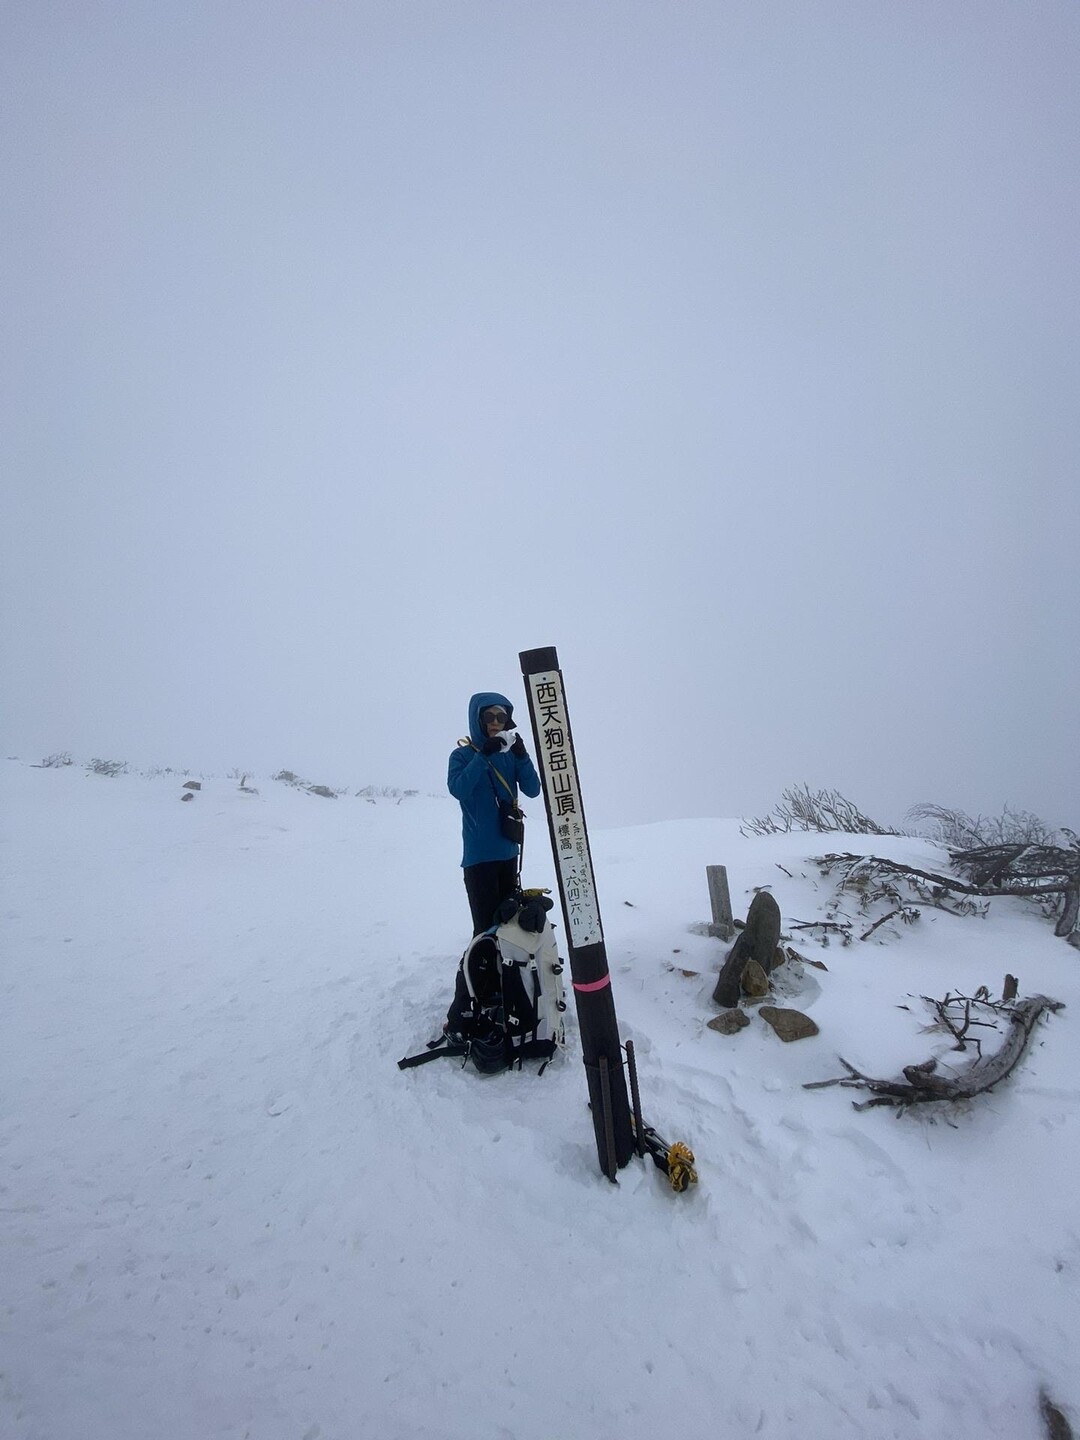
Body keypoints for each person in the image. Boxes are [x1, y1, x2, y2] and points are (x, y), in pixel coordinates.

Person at [448, 691, 542, 935]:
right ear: (477, 719)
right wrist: (483, 755)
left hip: (509, 852)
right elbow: (459, 789)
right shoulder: (461, 756)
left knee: (511, 929)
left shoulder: (509, 756)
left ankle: (509, 974)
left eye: (501, 717)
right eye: (489, 716)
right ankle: (480, 973)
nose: (495, 722)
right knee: (486, 931)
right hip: (479, 859)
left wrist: (522, 757)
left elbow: (533, 790)